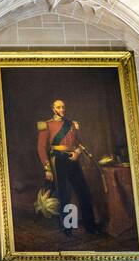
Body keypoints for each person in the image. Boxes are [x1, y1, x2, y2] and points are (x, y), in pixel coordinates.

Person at [36, 98, 103, 237]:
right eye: (58, 107)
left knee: (83, 192)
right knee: (65, 194)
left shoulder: (71, 124)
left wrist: (77, 152)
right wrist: (47, 168)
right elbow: (41, 148)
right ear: (53, 108)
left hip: (73, 159)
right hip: (58, 160)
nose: (62, 109)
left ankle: (90, 227)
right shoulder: (46, 125)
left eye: (63, 107)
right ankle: (68, 228)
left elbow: (80, 143)